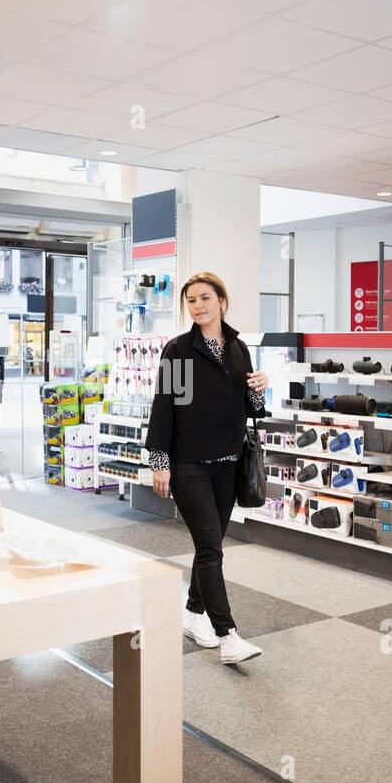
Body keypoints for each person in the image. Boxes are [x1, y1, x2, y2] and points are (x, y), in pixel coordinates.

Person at [145, 272, 269, 665]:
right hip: (189, 465)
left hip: (229, 464)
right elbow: (167, 406)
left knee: (210, 547)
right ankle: (227, 634)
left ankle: (194, 613)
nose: (198, 306)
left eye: (205, 298)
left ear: (221, 301)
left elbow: (250, 410)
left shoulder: (237, 348)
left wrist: (259, 390)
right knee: (211, 549)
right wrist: (160, 461)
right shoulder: (180, 350)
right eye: (192, 301)